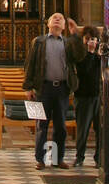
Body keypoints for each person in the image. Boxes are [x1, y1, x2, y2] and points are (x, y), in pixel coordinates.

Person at [23, 13, 86, 170]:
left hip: (62, 89)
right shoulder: (38, 42)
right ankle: (40, 159)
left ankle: (58, 159)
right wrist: (27, 87)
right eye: (54, 17)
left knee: (60, 126)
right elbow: (29, 64)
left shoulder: (68, 43)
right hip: (42, 89)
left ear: (64, 26)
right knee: (41, 125)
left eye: (61, 18)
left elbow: (80, 56)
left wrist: (76, 35)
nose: (57, 19)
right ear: (48, 24)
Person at [72, 26, 102, 166]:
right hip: (83, 96)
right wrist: (90, 53)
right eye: (88, 39)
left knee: (100, 129)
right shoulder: (80, 56)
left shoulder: (99, 57)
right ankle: (80, 157)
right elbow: (84, 72)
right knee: (82, 129)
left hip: (98, 96)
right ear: (84, 40)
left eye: (94, 39)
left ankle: (99, 157)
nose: (91, 42)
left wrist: (99, 56)